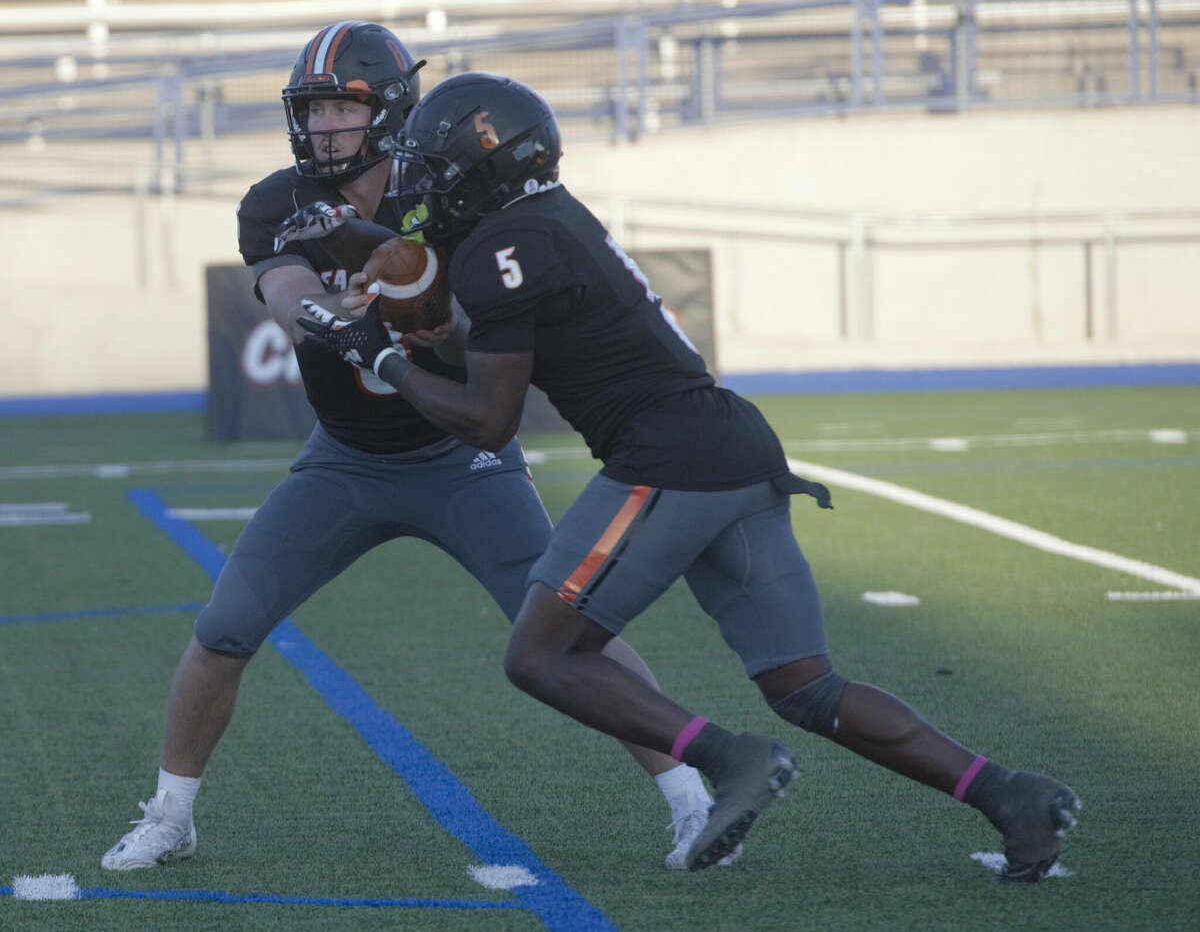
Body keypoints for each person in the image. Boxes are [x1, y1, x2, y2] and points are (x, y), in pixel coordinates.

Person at [297, 70, 1082, 880]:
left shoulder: (506, 245)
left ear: (475, 166)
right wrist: (362, 268)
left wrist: (381, 356)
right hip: (732, 445)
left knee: (540, 654)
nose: (422, 181)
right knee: (806, 685)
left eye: (434, 163)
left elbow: (487, 419)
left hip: (668, 456)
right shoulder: (537, 224)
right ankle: (1012, 796)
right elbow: (459, 319)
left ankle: (732, 758)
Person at [101, 22, 733, 873]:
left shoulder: (452, 191)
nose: (322, 126)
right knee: (224, 627)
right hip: (346, 458)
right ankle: (171, 814)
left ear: (391, 110)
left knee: (568, 634)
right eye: (313, 107)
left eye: (342, 107)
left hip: (460, 457)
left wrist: (419, 320)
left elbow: (486, 331)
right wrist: (347, 321)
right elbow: (287, 297)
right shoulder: (275, 202)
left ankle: (690, 796)